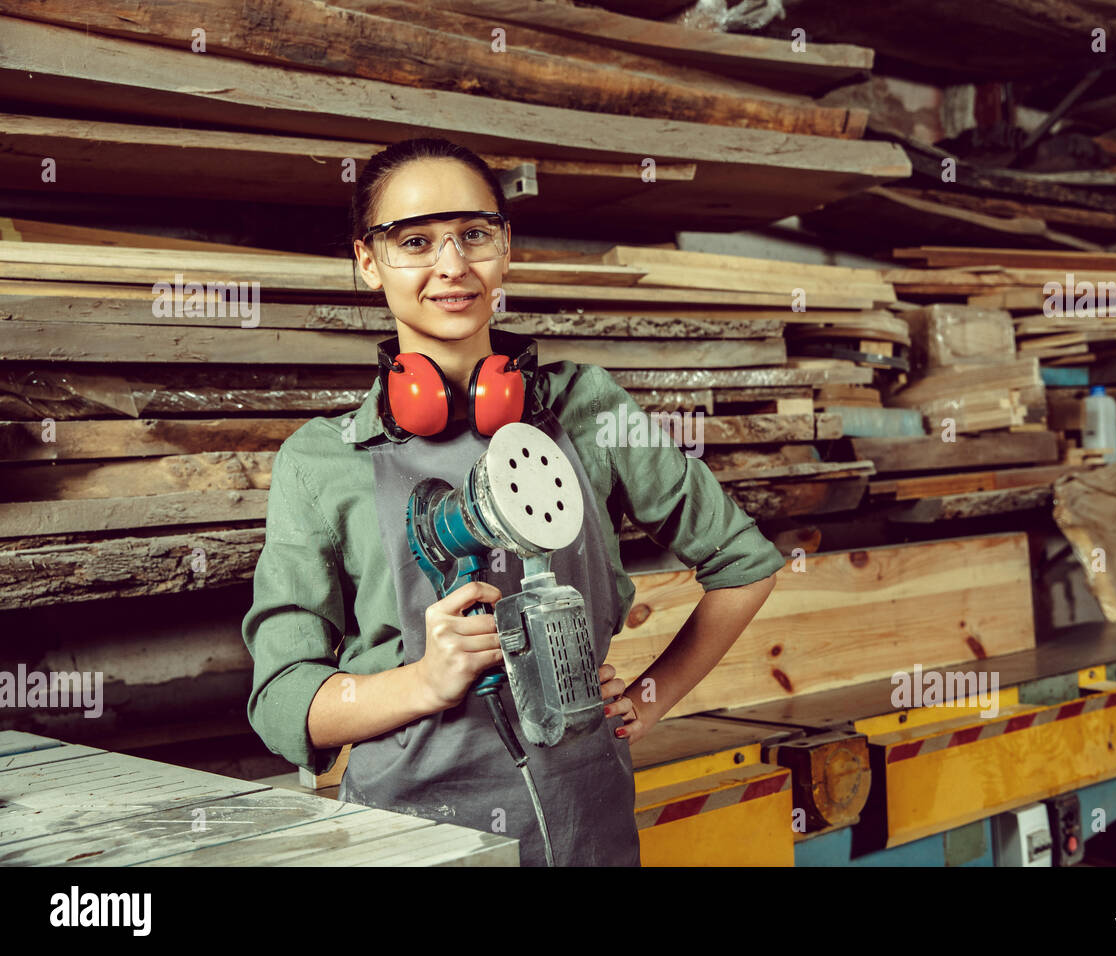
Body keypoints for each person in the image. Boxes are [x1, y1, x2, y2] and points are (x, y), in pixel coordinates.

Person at [242, 137, 785, 866]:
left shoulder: (588, 409)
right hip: (408, 839)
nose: (452, 266)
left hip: (586, 824)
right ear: (368, 262)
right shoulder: (322, 459)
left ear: (507, 246)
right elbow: (282, 700)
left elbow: (744, 564)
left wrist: (650, 698)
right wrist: (426, 681)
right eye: (415, 241)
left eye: (474, 234)